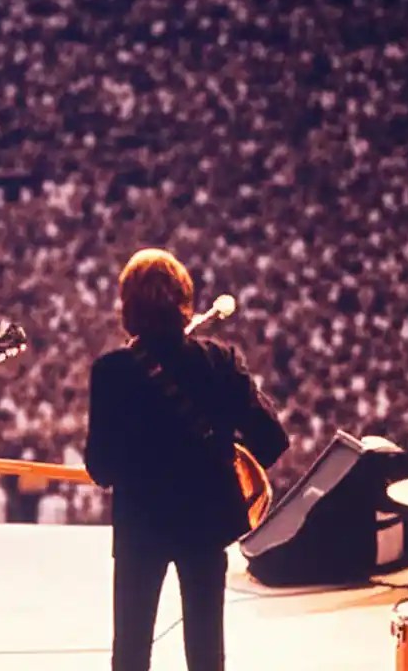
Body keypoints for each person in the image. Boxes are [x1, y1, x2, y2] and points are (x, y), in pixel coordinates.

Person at [84, 248, 289, 671]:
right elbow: (272, 441)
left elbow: (100, 468)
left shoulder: (111, 371)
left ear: (127, 307)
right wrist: (227, 441)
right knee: (206, 653)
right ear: (185, 302)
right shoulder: (220, 362)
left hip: (140, 527)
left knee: (131, 653)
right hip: (204, 524)